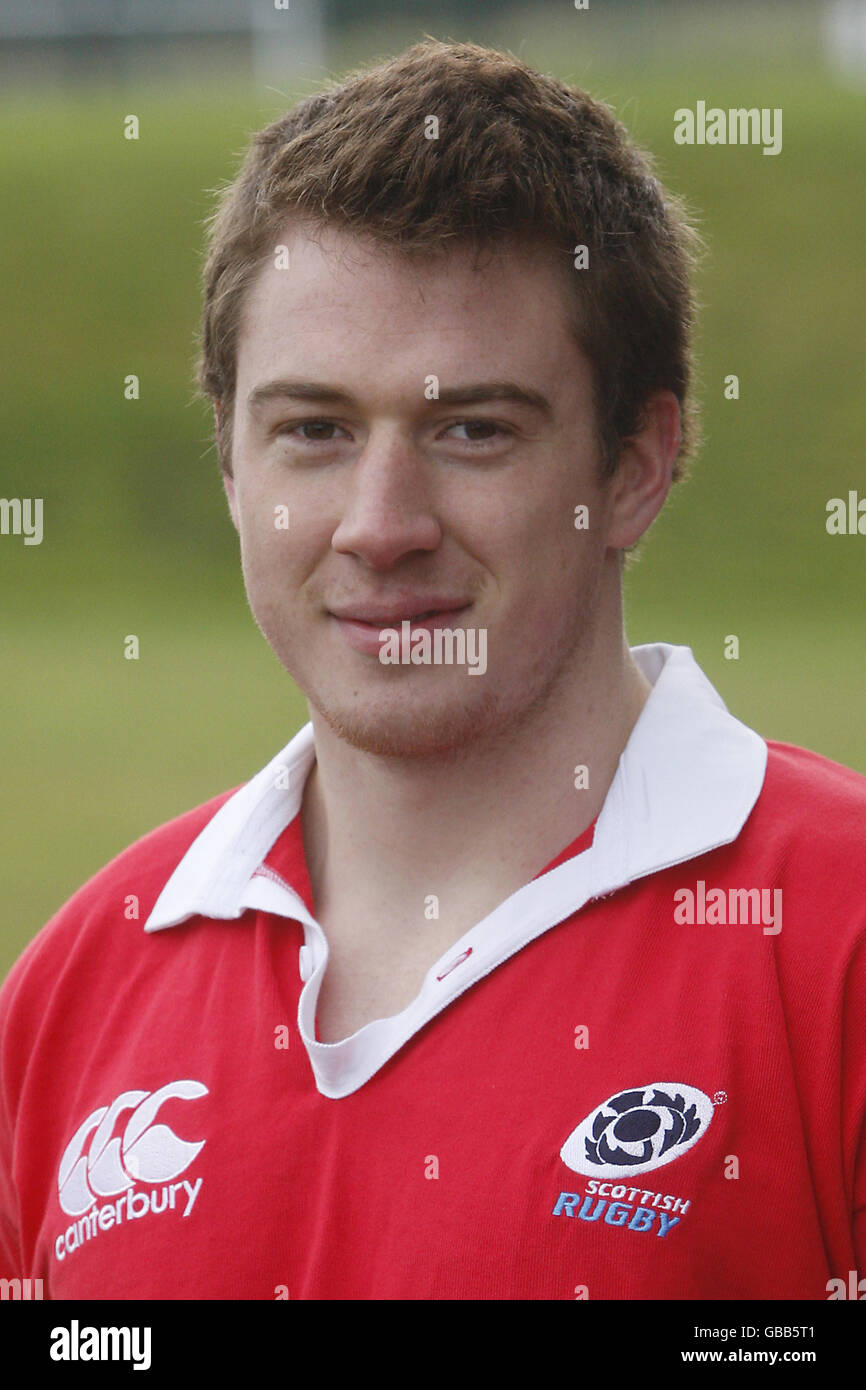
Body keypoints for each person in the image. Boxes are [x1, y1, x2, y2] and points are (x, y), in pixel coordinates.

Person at [1, 38, 863, 1303]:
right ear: (234, 471)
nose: (378, 521)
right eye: (313, 430)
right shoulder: (73, 992)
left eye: (470, 430)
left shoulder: (835, 942)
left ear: (632, 465)